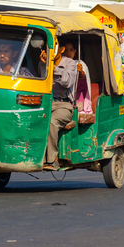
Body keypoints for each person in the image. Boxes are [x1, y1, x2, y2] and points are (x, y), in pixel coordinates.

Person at [42, 42, 83, 171]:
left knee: (52, 123)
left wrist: (53, 68)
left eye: (54, 47)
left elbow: (67, 81)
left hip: (63, 104)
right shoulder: (42, 62)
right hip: (46, 103)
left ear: (61, 49)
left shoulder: (70, 63)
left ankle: (52, 159)